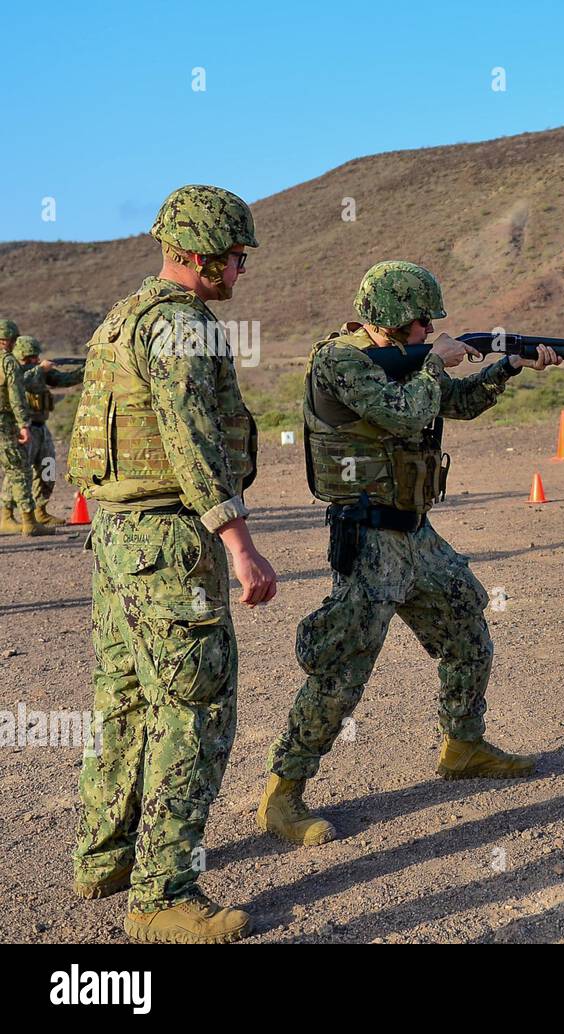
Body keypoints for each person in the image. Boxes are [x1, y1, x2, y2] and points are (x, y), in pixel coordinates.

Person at [259, 260, 561, 848]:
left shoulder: (410, 361)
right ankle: (283, 793)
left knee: (466, 624)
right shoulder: (340, 361)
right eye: (423, 322)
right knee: (344, 664)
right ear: (394, 320)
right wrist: (433, 361)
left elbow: (456, 403)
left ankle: (463, 746)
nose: (430, 330)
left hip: (415, 531)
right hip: (369, 536)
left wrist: (506, 368)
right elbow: (404, 412)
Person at [68, 185, 277, 944]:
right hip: (166, 540)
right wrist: (238, 542)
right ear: (196, 255)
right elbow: (193, 441)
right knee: (196, 706)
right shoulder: (182, 326)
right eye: (234, 256)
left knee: (125, 695)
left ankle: (106, 854)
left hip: (118, 535)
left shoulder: (124, 316)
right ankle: (162, 896)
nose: (241, 269)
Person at [4, 335, 85, 525]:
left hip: (41, 428)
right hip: (23, 428)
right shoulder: (15, 372)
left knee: (48, 467)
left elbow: (63, 380)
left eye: (35, 357)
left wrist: (85, 370)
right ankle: (7, 513)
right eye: (28, 358)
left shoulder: (40, 372)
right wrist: (40, 369)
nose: (33, 360)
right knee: (18, 472)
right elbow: (21, 382)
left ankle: (41, 510)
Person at [0, 318, 54, 536]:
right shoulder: (8, 362)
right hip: (6, 423)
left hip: (15, 424)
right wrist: (23, 425)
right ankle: (27, 521)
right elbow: (16, 396)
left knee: (29, 468)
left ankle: (28, 515)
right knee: (19, 470)